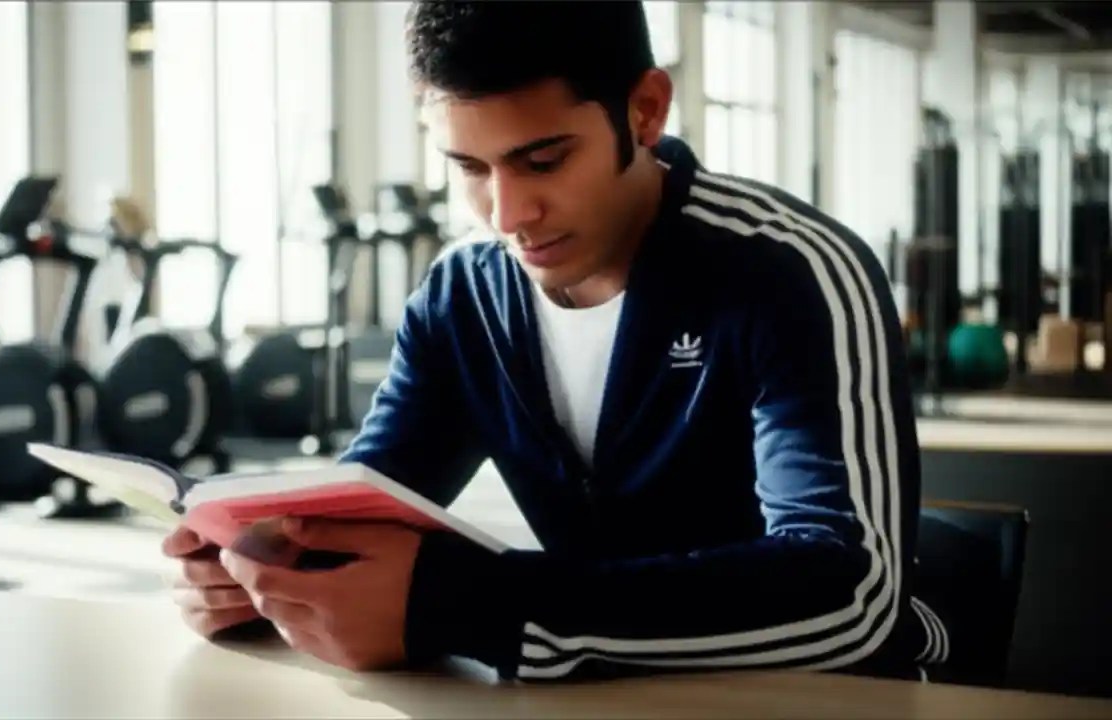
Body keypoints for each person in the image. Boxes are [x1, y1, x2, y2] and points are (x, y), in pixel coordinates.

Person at [164, 0, 943, 682]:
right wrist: (269, 572)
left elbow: (853, 596)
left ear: (644, 111)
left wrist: (481, 610)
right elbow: (364, 508)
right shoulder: (460, 297)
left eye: (543, 160)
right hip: (601, 700)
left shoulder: (789, 271)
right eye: (468, 166)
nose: (507, 214)